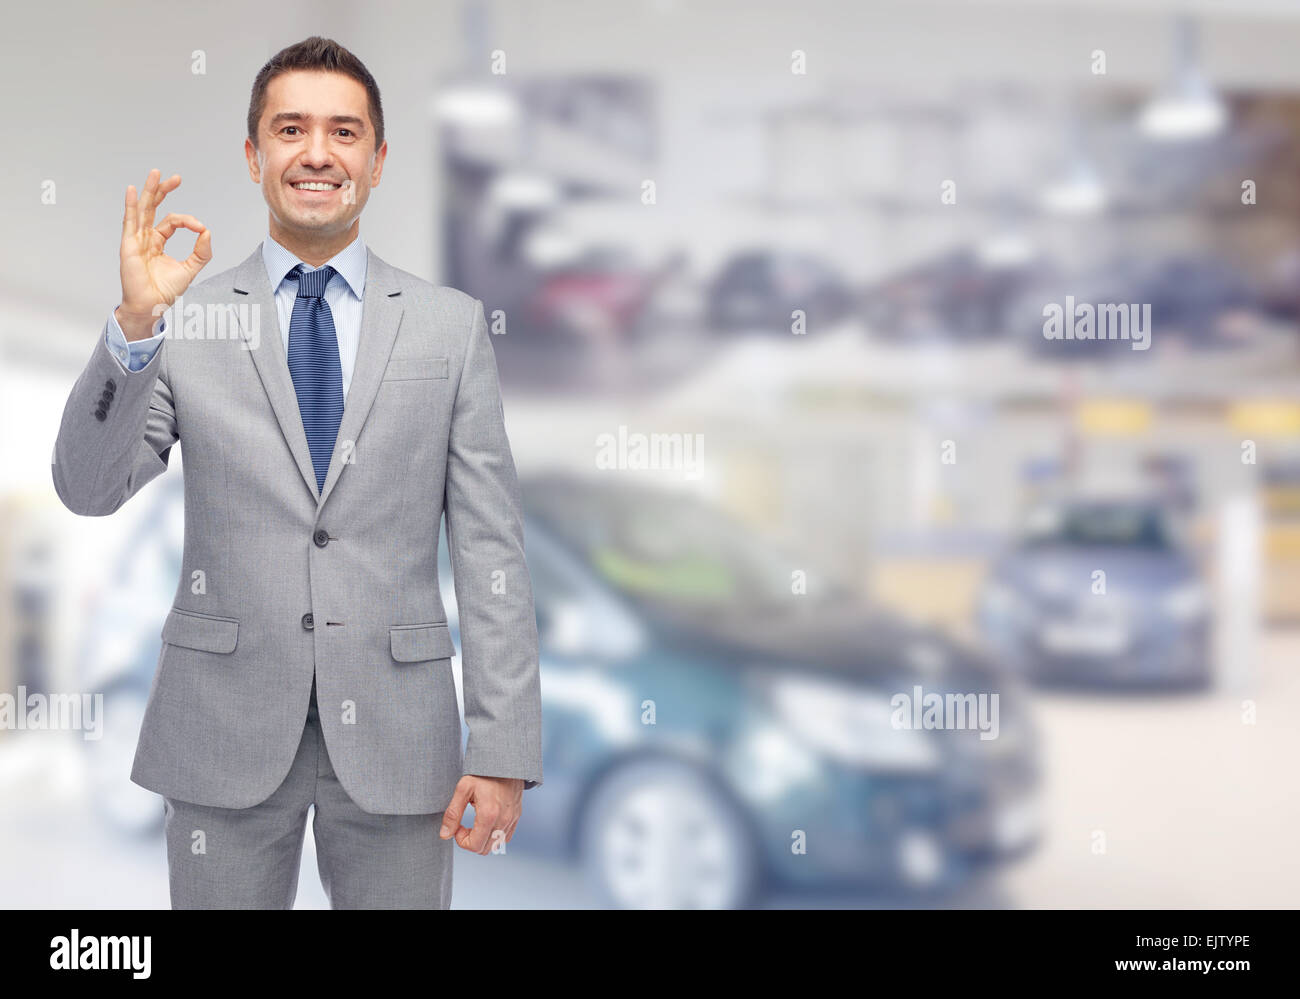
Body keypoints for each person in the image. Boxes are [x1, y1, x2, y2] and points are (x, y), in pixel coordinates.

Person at [51, 36, 543, 909]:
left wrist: (503, 748)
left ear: (379, 159)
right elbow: (88, 488)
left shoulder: (449, 326)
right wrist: (135, 323)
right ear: (253, 156)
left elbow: (492, 550)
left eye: (344, 132)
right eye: (291, 129)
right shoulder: (184, 319)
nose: (318, 152)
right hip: (220, 727)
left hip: (400, 736)